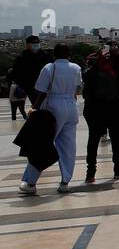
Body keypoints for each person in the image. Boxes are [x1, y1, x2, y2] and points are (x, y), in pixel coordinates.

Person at [16, 44, 81, 195]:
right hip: (71, 106)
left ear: (55, 54)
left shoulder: (49, 68)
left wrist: (34, 107)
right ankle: (65, 182)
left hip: (54, 106)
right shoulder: (76, 68)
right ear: (68, 54)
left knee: (41, 145)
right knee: (68, 146)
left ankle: (30, 182)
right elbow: (77, 88)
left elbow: (42, 91)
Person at [82, 50, 119, 183]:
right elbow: (85, 77)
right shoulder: (93, 69)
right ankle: (91, 172)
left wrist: (118, 58)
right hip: (97, 108)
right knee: (96, 140)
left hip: (111, 108)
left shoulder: (116, 68)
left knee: (113, 140)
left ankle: (116, 169)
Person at [11, 35, 43, 118]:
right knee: (39, 108)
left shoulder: (44, 56)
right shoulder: (21, 58)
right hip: (30, 88)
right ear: (28, 45)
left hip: (44, 88)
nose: (36, 45)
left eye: (37, 43)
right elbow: (16, 73)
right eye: (33, 43)